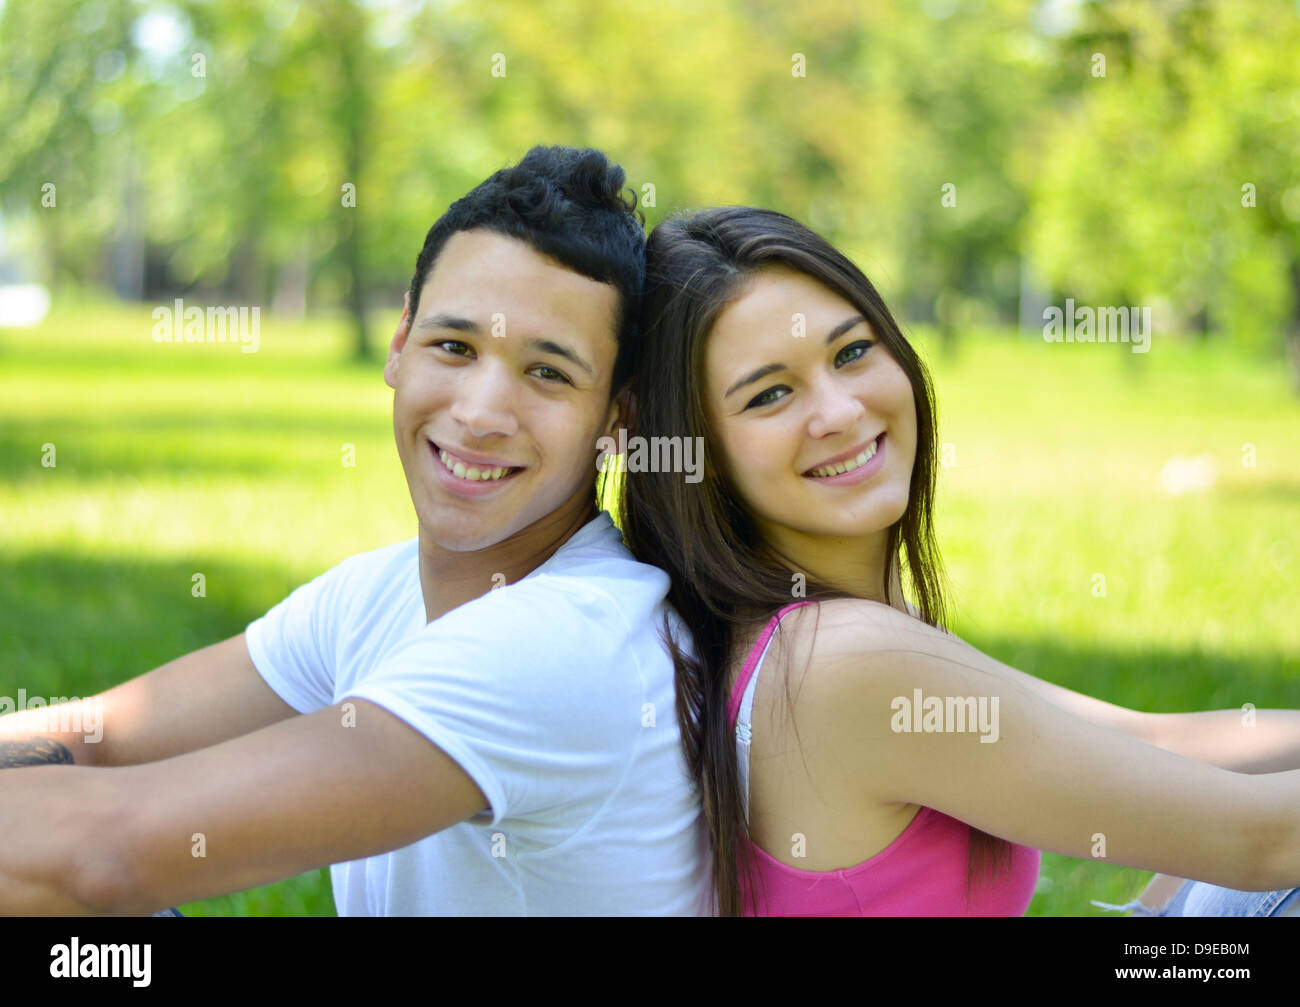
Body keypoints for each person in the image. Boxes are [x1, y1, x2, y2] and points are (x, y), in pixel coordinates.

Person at [0, 145, 711, 916]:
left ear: (617, 417)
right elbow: (100, 736)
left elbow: (105, 856)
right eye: (454, 345)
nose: (477, 412)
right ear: (399, 342)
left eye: (548, 373)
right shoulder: (372, 597)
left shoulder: (571, 644)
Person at [614, 204, 1300, 917]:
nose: (841, 411)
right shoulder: (840, 662)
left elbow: (1153, 743)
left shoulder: (806, 640)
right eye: (771, 393)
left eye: (851, 352)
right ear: (701, 457)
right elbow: (1256, 838)